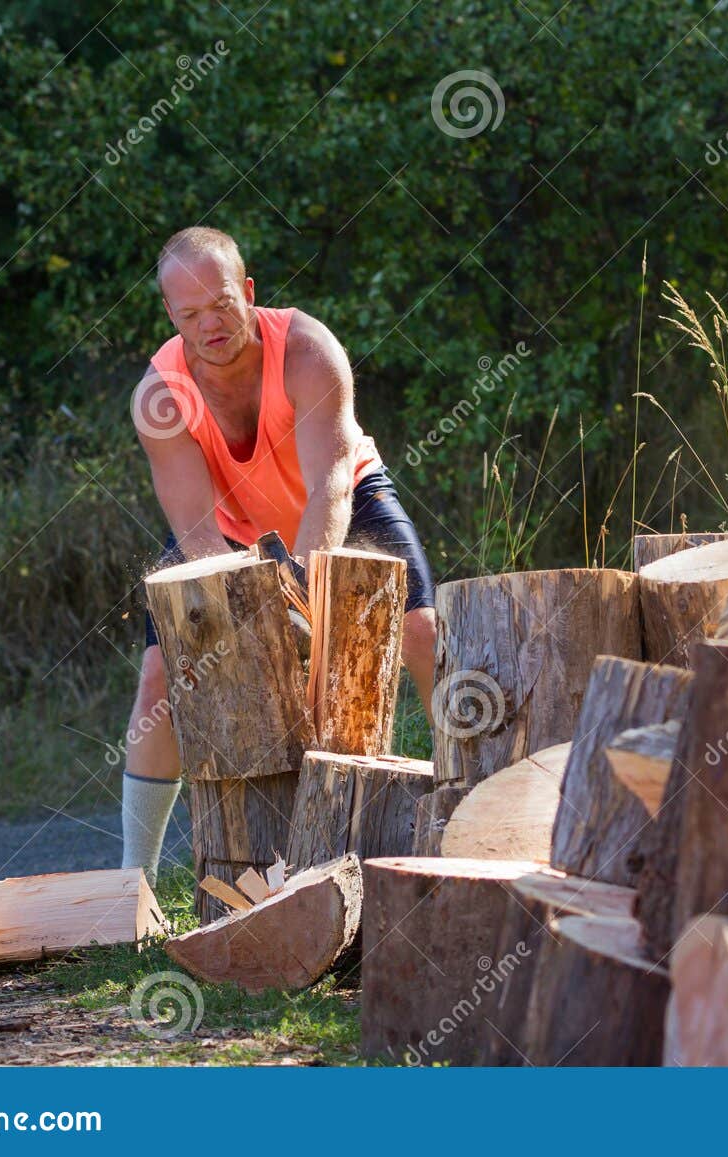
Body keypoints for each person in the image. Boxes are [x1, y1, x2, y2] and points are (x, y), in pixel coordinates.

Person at [120, 226, 437, 883]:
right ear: (169, 317)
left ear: (251, 293)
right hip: (231, 529)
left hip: (344, 497)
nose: (210, 324)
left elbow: (327, 483)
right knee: (160, 672)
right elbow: (195, 526)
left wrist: (301, 597)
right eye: (190, 314)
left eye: (223, 304)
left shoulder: (307, 351)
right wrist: (249, 613)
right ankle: (134, 885)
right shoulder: (158, 396)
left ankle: (479, 803)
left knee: (422, 630)